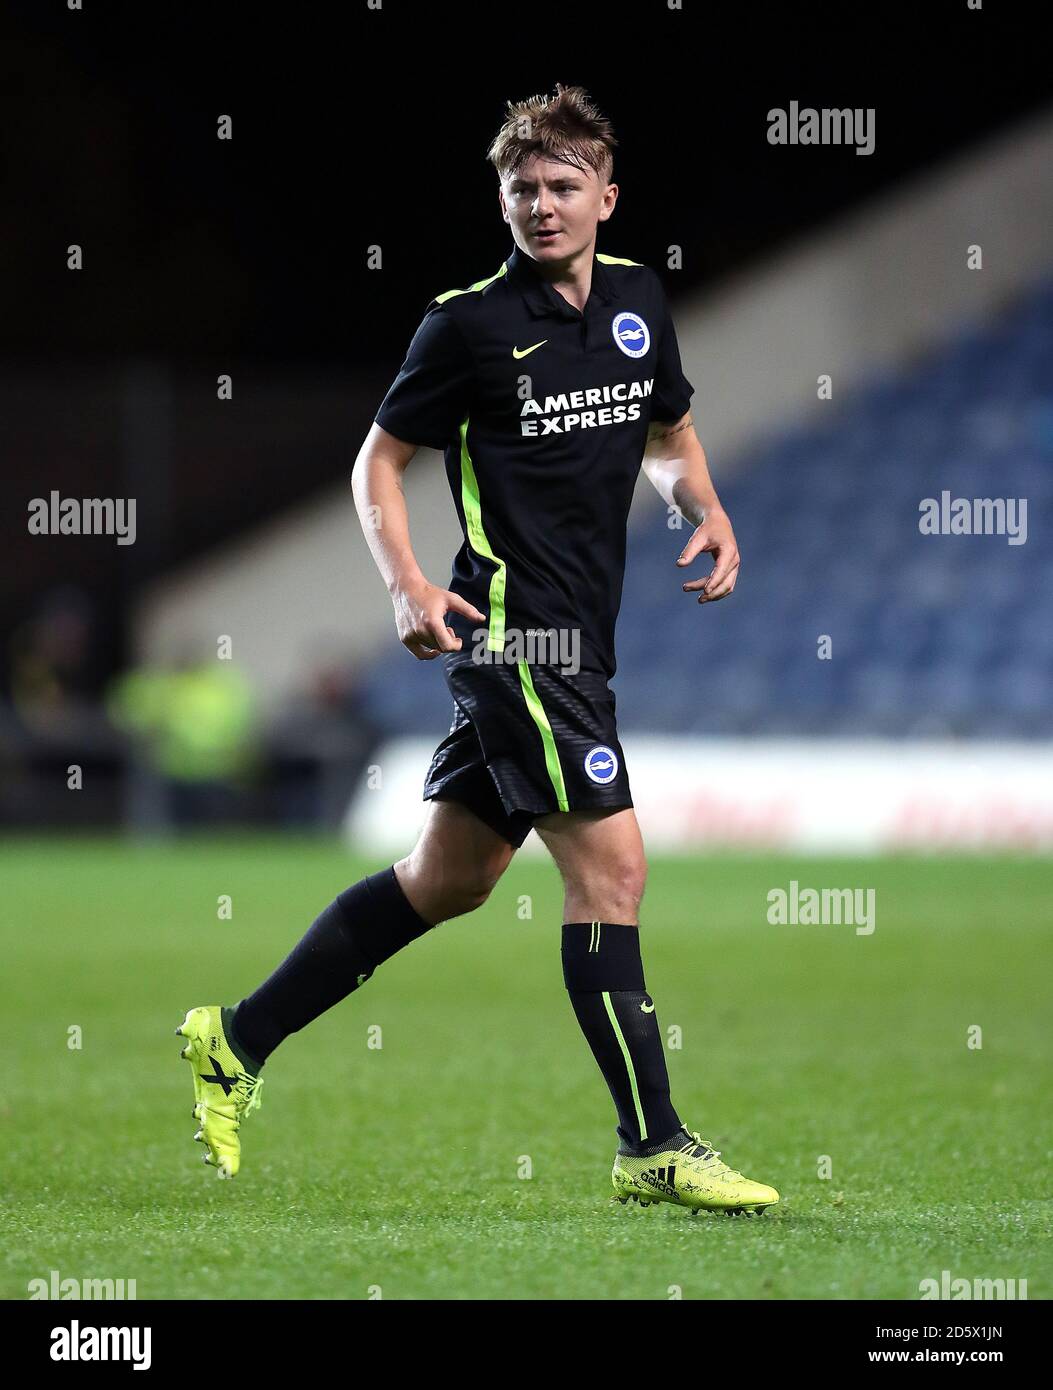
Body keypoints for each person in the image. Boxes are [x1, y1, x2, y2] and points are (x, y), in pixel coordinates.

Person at [177, 83, 778, 1215]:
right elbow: (376, 464)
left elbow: (668, 429)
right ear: (500, 201)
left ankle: (232, 1039)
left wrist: (706, 503)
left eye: (562, 186)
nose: (542, 206)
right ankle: (652, 1142)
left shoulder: (642, 300)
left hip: (582, 639)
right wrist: (404, 580)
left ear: (607, 193)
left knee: (449, 878)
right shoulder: (465, 325)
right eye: (521, 189)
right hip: (516, 637)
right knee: (615, 871)